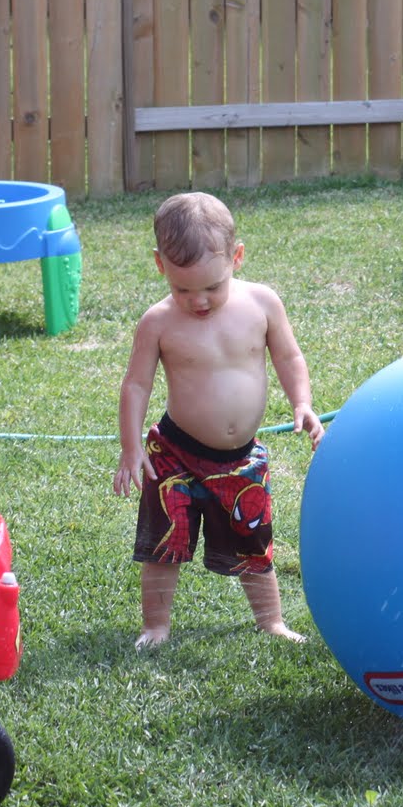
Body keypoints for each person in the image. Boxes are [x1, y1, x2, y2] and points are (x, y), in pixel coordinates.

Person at [113, 192, 324, 648]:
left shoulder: (262, 303)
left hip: (241, 459)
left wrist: (302, 403)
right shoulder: (158, 322)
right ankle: (155, 626)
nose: (199, 301)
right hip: (174, 454)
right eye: (183, 290)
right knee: (164, 546)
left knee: (255, 541)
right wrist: (131, 447)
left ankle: (271, 621)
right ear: (160, 264)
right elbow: (136, 386)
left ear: (237, 257)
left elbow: (289, 357)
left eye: (212, 286)